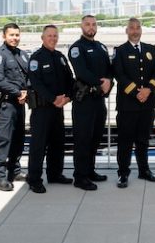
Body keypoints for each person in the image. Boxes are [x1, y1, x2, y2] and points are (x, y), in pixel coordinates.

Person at [112, 17, 155, 188]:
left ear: (141, 30)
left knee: (143, 139)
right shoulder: (120, 51)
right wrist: (136, 93)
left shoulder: (150, 49)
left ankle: (144, 170)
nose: (135, 30)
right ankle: (123, 174)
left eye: (138, 27)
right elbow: (119, 74)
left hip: (147, 104)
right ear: (126, 31)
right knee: (125, 141)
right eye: (131, 28)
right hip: (128, 105)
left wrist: (148, 89)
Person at [68, 15, 114, 191]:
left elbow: (110, 69)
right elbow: (81, 72)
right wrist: (101, 82)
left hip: (99, 100)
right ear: (81, 26)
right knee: (83, 139)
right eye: (87, 24)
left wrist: (109, 81)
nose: (91, 27)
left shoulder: (101, 47)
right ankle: (80, 177)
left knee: (95, 138)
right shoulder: (76, 48)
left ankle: (90, 171)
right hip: (84, 101)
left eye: (94, 24)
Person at [26, 25, 74, 193]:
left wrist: (68, 97)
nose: (53, 38)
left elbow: (70, 79)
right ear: (42, 38)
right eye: (49, 36)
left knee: (57, 143)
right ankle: (34, 179)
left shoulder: (60, 57)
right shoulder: (36, 58)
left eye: (55, 35)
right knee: (38, 145)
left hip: (58, 108)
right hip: (42, 109)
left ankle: (55, 174)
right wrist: (54, 98)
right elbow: (36, 83)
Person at [0, 22, 29, 191]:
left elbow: (28, 76)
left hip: (20, 103)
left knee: (18, 138)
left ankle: (15, 170)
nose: (15, 38)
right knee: (3, 139)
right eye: (11, 35)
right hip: (5, 103)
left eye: (17, 35)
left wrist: (26, 91)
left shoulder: (23, 54)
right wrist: (18, 92)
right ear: (4, 36)